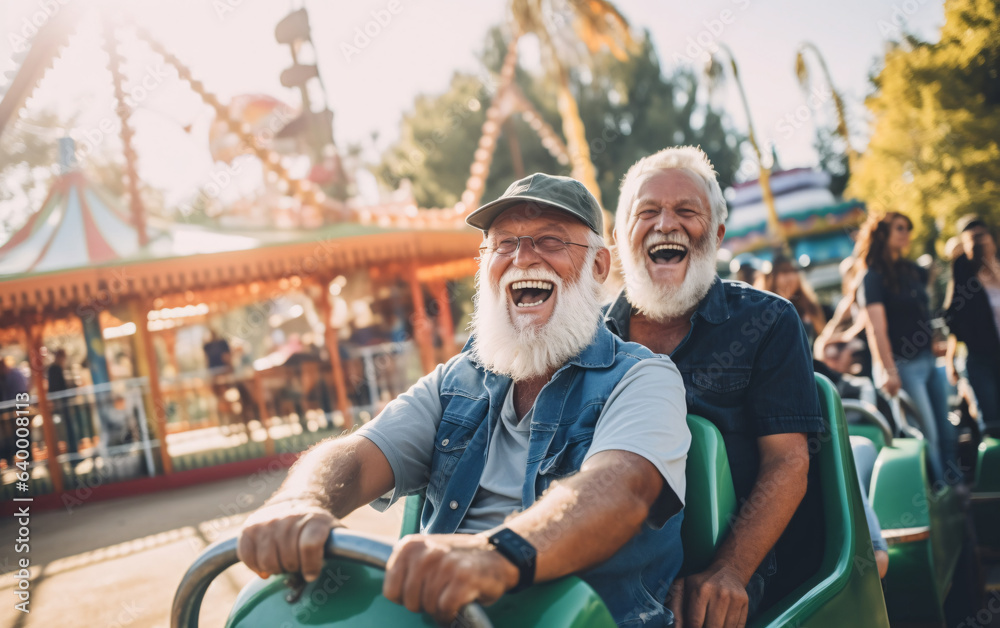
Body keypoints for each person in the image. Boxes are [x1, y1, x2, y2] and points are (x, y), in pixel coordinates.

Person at [238, 173, 691, 627]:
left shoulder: (642, 377)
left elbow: (619, 488)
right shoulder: (459, 378)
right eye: (503, 244)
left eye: (550, 241)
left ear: (597, 267)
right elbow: (358, 455)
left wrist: (493, 554)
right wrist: (301, 501)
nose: (522, 257)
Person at [605, 146, 824, 625]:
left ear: (718, 234)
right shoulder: (589, 340)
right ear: (619, 237)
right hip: (611, 572)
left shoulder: (769, 320)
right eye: (647, 212)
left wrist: (730, 570)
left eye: (687, 211)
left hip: (735, 575)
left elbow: (787, 460)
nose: (666, 224)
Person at [854, 212, 956, 485]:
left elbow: (925, 313)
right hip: (902, 366)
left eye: (909, 228)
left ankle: (957, 494)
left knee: (947, 430)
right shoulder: (872, 276)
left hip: (928, 361)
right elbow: (876, 329)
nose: (906, 233)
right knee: (927, 435)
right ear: (882, 234)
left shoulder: (911, 271)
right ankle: (937, 498)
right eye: (899, 228)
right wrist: (888, 370)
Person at [945, 214, 1000, 436]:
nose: (980, 241)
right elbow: (954, 320)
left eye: (982, 235)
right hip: (980, 358)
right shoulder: (964, 275)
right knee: (992, 421)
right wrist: (951, 359)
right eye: (973, 237)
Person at [756, 256, 827, 345]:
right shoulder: (762, 309)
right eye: (784, 271)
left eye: (794, 271)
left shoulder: (809, 306)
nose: (791, 276)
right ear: (771, 277)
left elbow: (822, 336)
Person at [47, 348, 78, 454]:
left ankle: (72, 451)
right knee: (67, 429)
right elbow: (58, 388)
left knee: (67, 429)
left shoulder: (55, 369)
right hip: (61, 404)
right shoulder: (55, 369)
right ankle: (72, 452)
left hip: (61, 403)